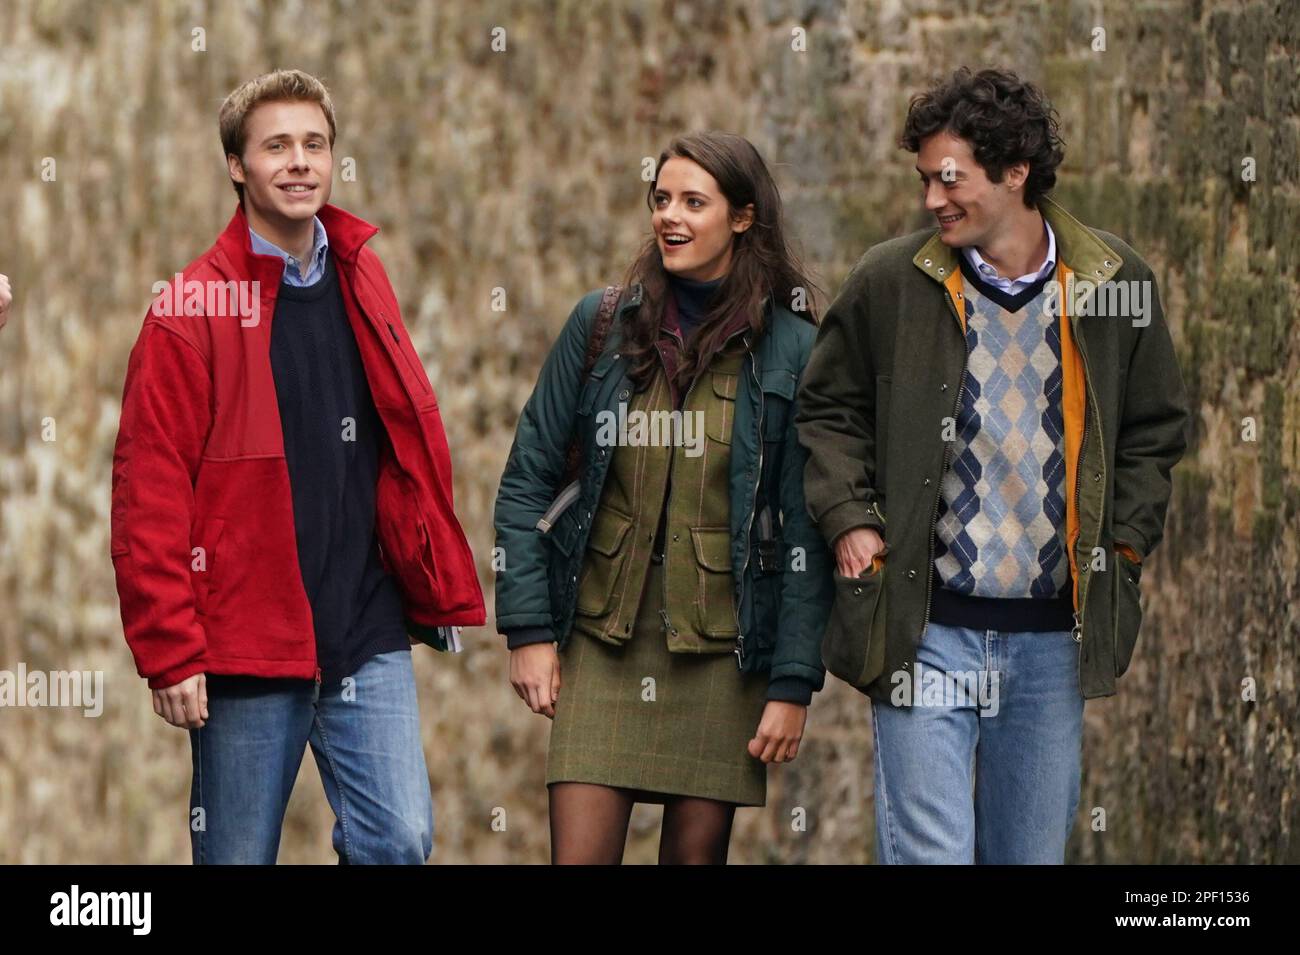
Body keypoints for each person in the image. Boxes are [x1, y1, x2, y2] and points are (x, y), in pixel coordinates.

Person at [796, 67, 1190, 864]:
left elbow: (1156, 427)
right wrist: (850, 520)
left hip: (1051, 642)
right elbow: (827, 409)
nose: (933, 198)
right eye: (925, 180)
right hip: (926, 629)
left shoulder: (1115, 284)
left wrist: (1126, 545)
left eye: (951, 178)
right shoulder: (891, 282)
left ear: (1016, 172)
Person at [110, 69, 484, 864]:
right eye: (276, 145)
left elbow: (406, 438)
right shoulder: (187, 312)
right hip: (249, 637)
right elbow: (149, 494)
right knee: (238, 855)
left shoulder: (361, 273)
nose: (300, 162)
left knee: (401, 840)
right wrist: (170, 648)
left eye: (315, 145)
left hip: (362, 622)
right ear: (237, 166)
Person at [494, 131, 834, 864]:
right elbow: (528, 479)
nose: (669, 217)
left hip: (719, 653)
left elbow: (806, 530)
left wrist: (793, 683)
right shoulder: (602, 324)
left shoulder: (792, 348)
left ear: (743, 217)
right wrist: (527, 630)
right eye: (660, 199)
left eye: (692, 201)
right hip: (600, 640)